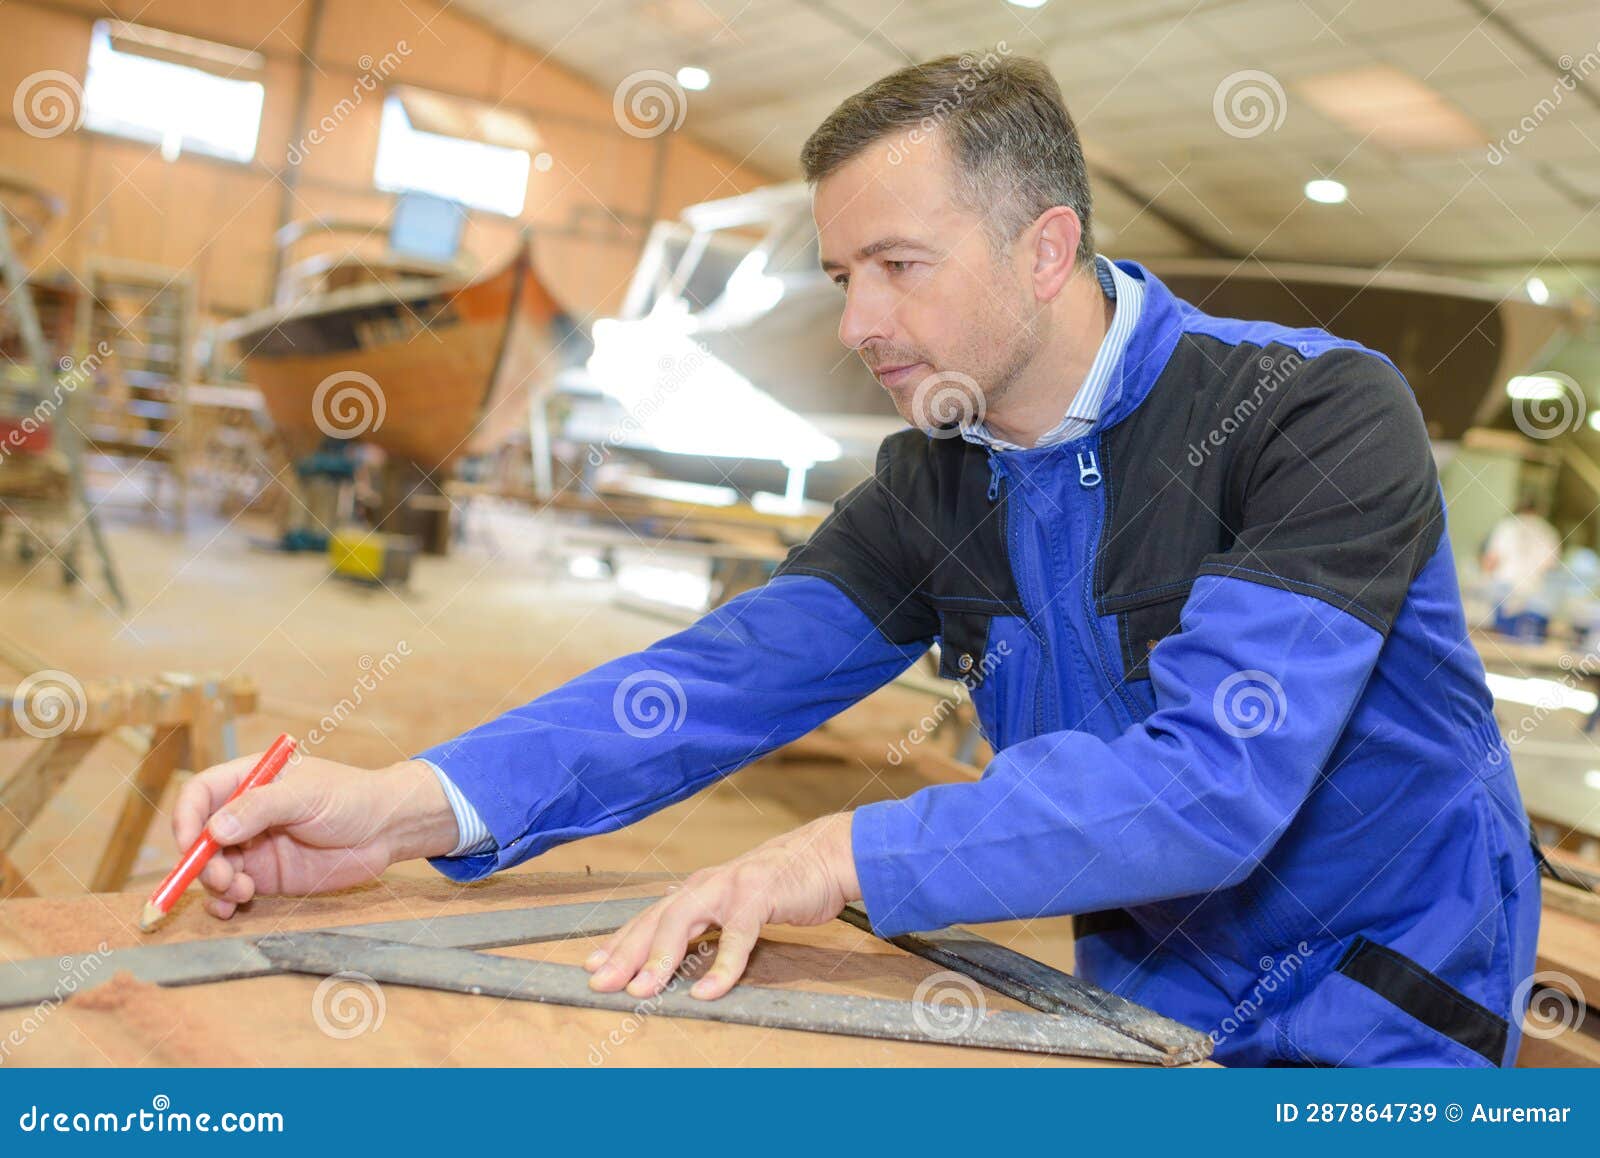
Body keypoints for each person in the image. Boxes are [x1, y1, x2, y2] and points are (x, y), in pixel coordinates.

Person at [175, 54, 1539, 1067]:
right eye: (842, 277)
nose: (858, 321)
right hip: (1148, 997)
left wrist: (840, 850)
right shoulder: (938, 478)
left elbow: (1215, 780)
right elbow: (717, 678)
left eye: (897, 264)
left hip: (1394, 1001)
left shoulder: (1311, 414)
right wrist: (409, 801)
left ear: (1046, 245)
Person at [1481, 499, 1560, 638]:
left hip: (1505, 590)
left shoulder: (1506, 527)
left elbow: (1490, 561)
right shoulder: (1549, 532)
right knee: (1527, 637)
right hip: (1534, 595)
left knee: (1502, 636)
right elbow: (1552, 567)